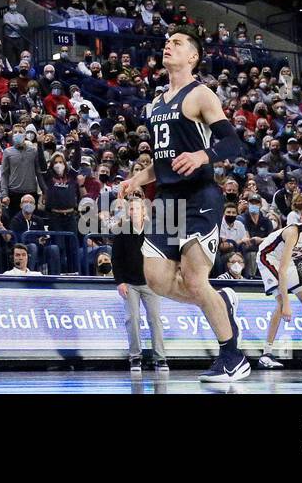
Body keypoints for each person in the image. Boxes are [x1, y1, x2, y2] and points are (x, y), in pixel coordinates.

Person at [118, 27, 247, 382]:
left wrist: (203, 154)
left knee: (193, 277)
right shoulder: (156, 102)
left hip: (199, 197)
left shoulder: (200, 94)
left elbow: (233, 144)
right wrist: (136, 180)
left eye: (177, 43)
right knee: (155, 278)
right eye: (167, 42)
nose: (168, 46)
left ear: (193, 56)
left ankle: (232, 356)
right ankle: (221, 301)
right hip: (167, 200)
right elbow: (161, 163)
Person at [255, 202, 302, 369]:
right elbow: (281, 271)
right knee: (281, 303)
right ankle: (265, 355)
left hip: (286, 262)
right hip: (268, 257)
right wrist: (287, 304)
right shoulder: (293, 232)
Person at [113, 196, 168, 372]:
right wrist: (120, 281)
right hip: (130, 283)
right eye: (130, 209)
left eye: (136, 209)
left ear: (144, 211)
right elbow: (116, 258)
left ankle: (160, 358)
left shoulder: (154, 231)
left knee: (155, 320)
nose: (133, 212)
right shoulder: (122, 231)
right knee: (132, 319)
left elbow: (163, 256)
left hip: (151, 284)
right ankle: (135, 358)